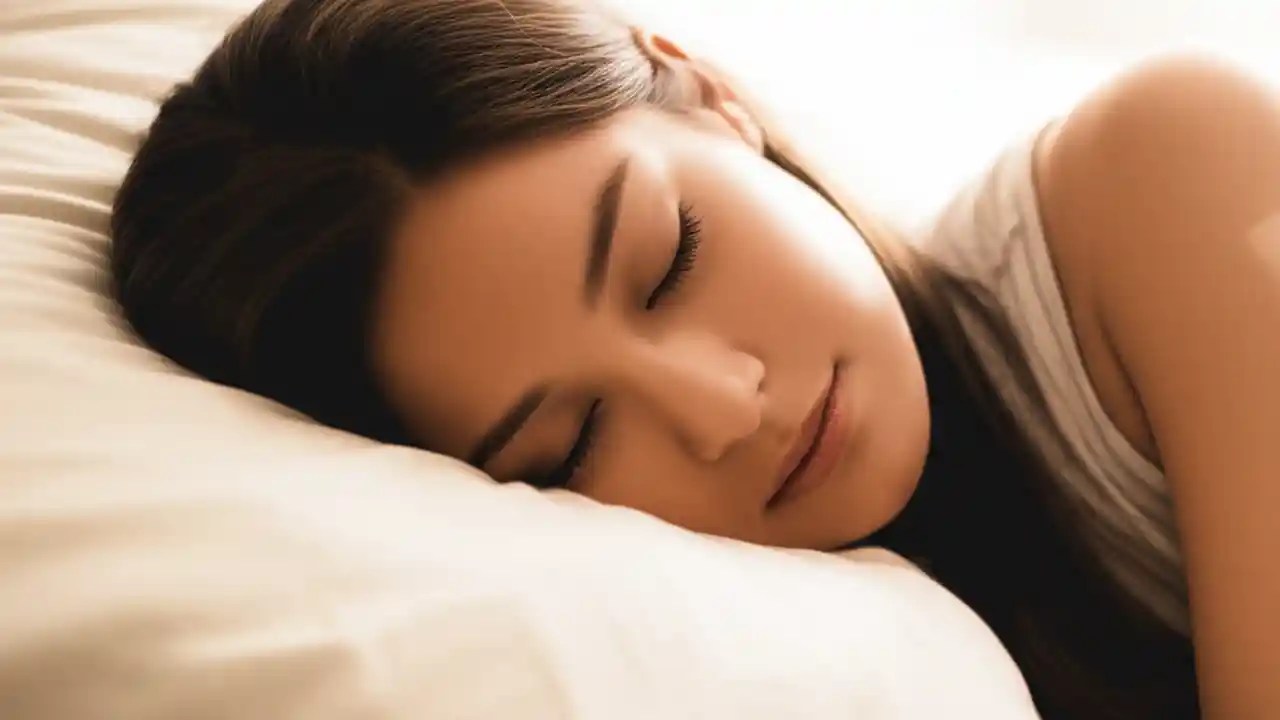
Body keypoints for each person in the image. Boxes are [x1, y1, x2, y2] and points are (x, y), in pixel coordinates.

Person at [109, 0, 1280, 717]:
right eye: (568, 446)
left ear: (704, 91)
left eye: (671, 258)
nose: (722, 408)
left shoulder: (1166, 168)